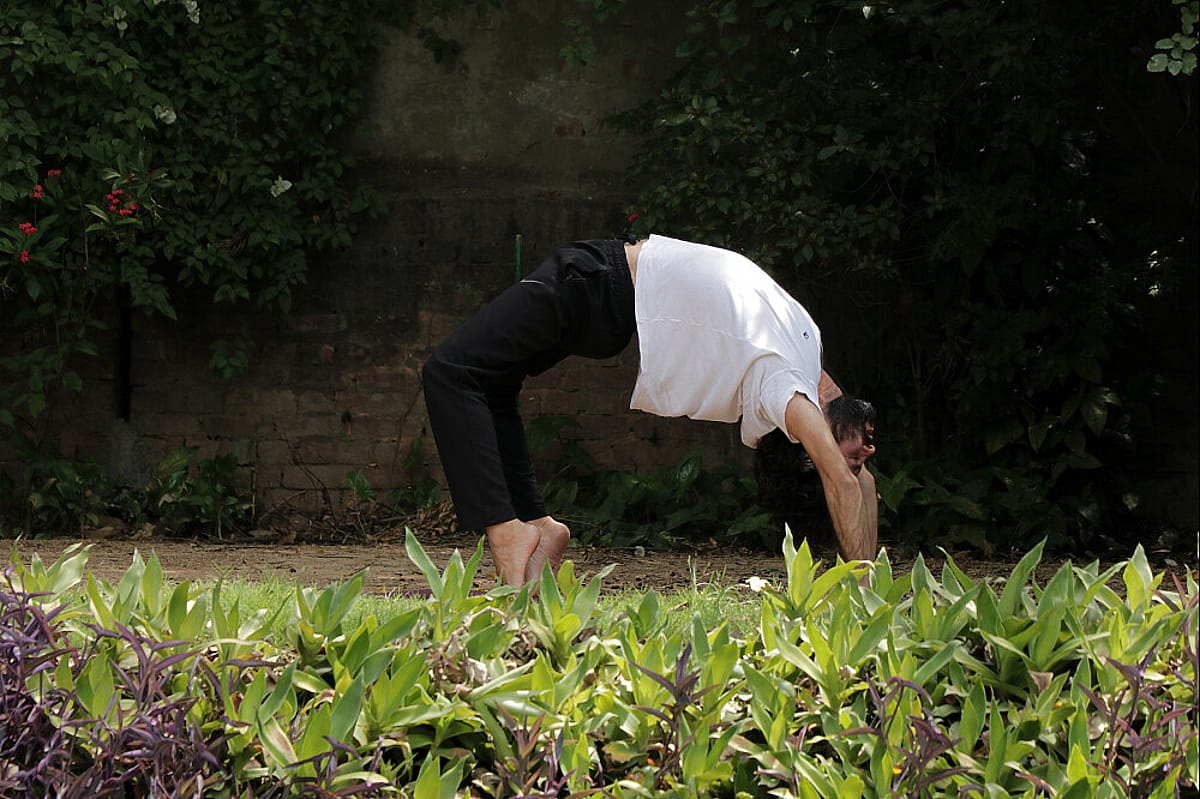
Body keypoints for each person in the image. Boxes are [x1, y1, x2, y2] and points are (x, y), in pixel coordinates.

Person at [422, 234, 879, 586]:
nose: (867, 449)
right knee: (492, 381)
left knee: (449, 371)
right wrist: (858, 483)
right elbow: (858, 481)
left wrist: (859, 586)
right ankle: (538, 525)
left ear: (807, 449)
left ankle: (507, 534)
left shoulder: (781, 387)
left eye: (851, 454)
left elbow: (839, 478)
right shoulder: (806, 348)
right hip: (609, 293)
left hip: (598, 282)